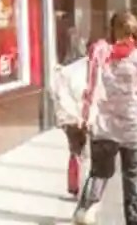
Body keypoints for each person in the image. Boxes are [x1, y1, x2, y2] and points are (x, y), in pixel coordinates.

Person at [73, 11, 137, 225]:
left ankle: (86, 210)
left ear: (113, 29)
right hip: (132, 124)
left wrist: (84, 116)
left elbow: (89, 88)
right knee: (132, 176)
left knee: (99, 172)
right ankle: (134, 220)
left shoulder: (101, 53)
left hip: (105, 125)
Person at [52, 48, 89, 199]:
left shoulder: (62, 73)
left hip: (69, 118)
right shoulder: (76, 71)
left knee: (75, 152)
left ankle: (74, 186)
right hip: (77, 117)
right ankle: (80, 188)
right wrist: (80, 116)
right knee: (82, 153)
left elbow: (58, 97)